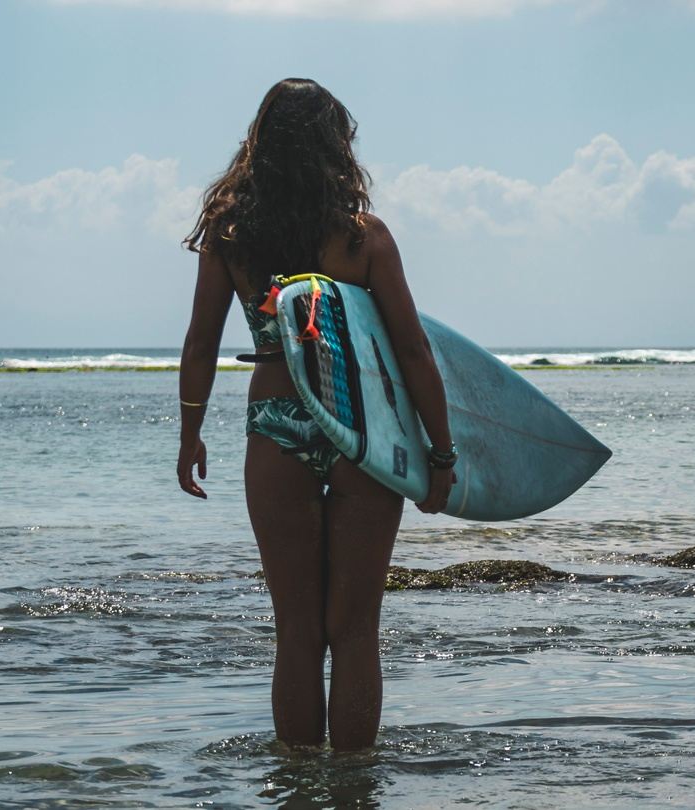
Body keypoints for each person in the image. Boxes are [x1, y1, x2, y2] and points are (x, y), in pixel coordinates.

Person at [176, 78, 455, 751]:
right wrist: (441, 453)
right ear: (335, 147)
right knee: (355, 627)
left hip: (276, 422)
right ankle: (354, 791)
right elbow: (414, 352)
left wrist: (190, 433)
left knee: (296, 630)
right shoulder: (363, 239)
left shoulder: (232, 234)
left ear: (260, 145)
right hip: (363, 425)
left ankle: (299, 790)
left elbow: (201, 340)